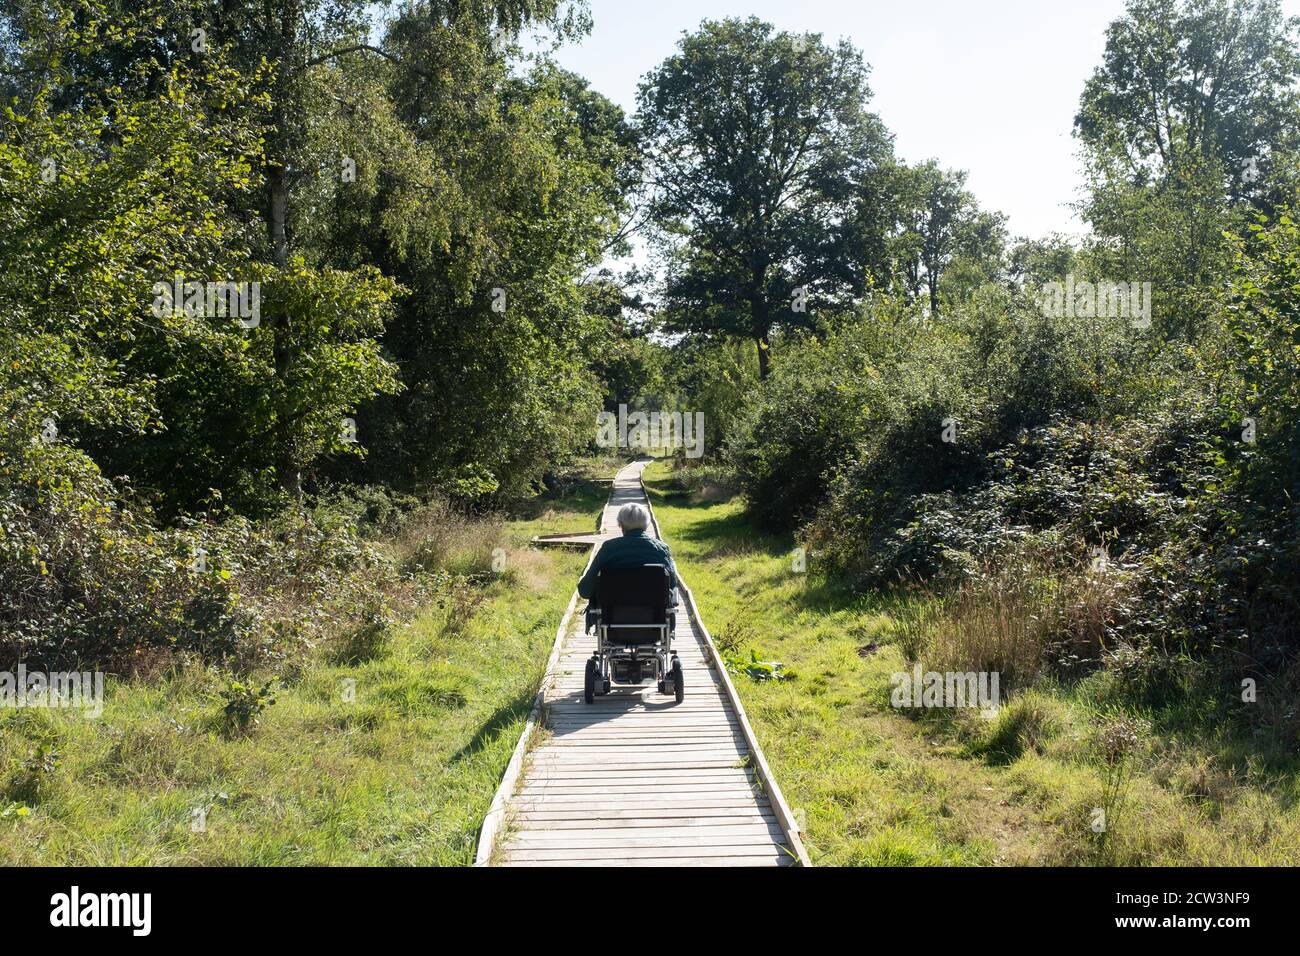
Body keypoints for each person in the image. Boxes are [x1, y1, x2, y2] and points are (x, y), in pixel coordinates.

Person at [577, 502, 678, 606]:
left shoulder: (609, 547)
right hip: (655, 615)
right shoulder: (661, 549)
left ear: (620, 525)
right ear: (647, 524)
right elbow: (672, 584)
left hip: (612, 616)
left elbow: (585, 591)